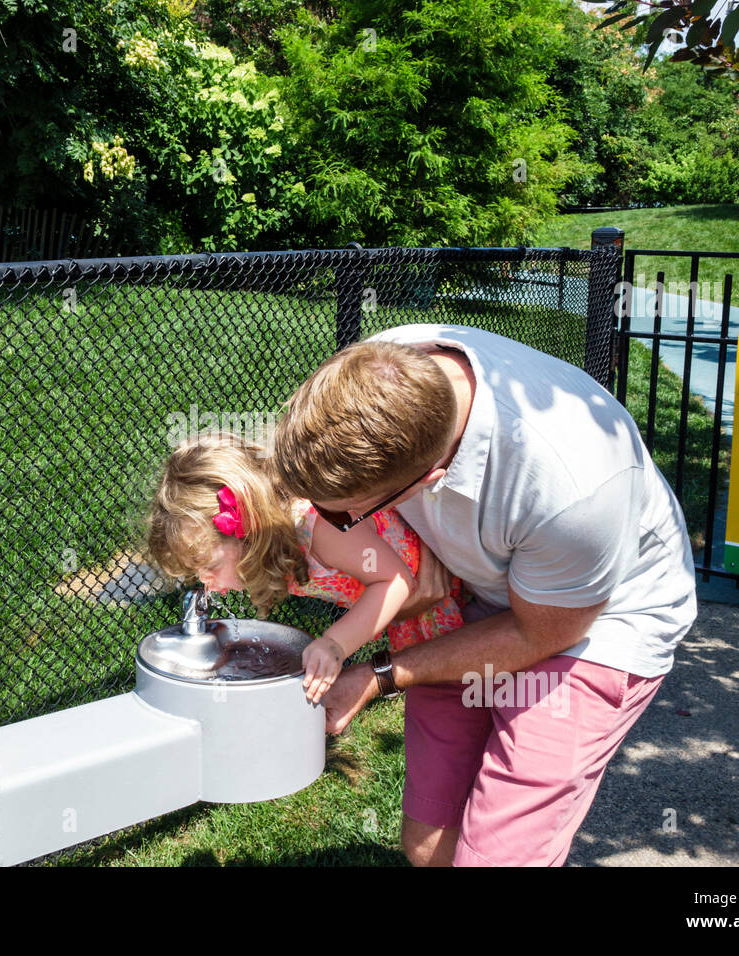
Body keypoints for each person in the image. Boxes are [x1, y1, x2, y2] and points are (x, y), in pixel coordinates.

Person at [272, 325, 698, 867]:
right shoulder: (382, 365)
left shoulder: (572, 488)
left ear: (432, 477)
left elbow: (537, 633)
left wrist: (379, 675)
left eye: (337, 514)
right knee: (428, 846)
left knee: (496, 858)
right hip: (473, 597)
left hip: (592, 625)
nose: (323, 521)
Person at [144, 433, 467, 704]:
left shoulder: (318, 529)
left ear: (249, 531)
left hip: (458, 591)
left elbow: (395, 582)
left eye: (209, 565)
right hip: (417, 612)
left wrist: (334, 644)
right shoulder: (273, 546)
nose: (204, 580)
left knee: (470, 694)